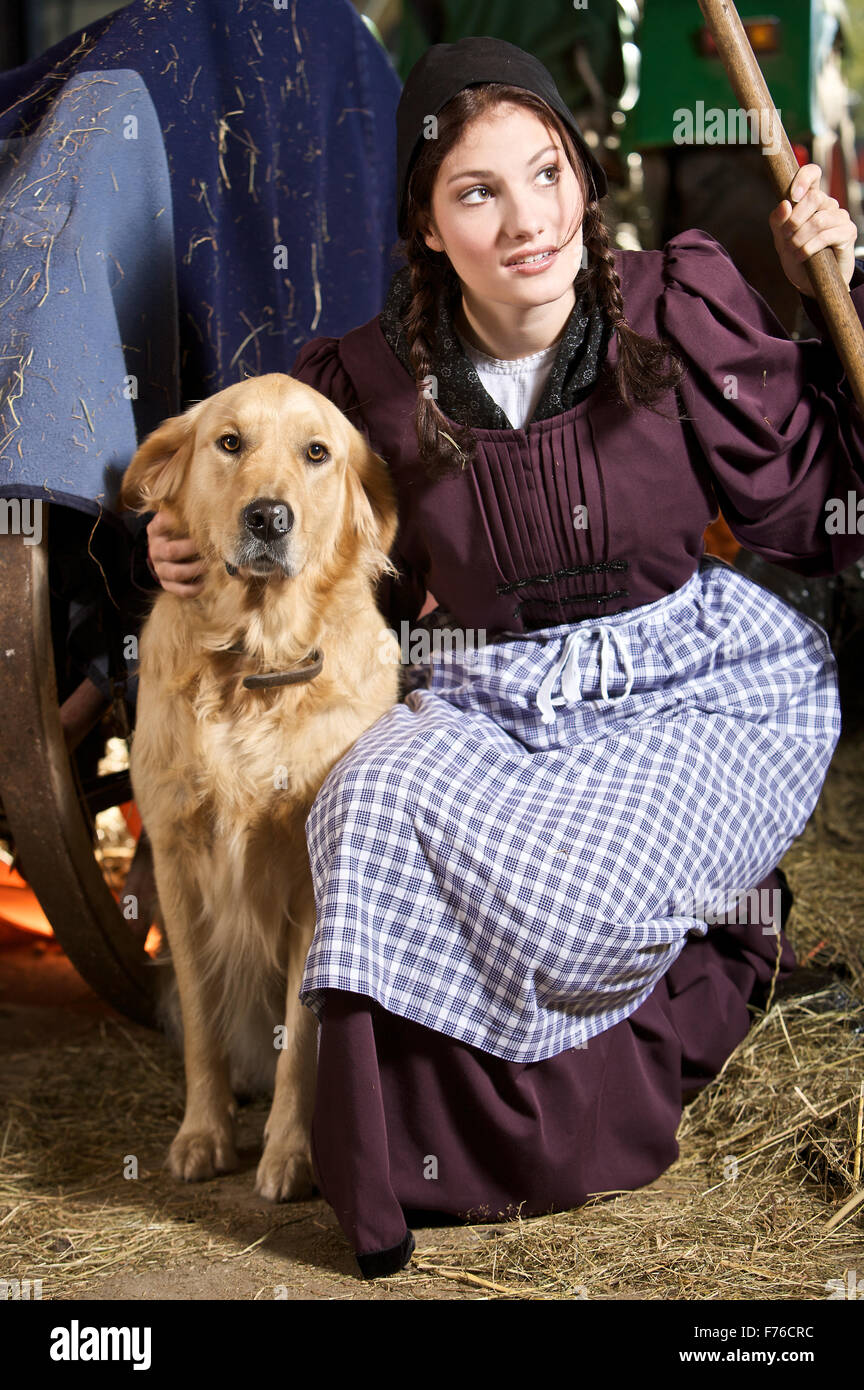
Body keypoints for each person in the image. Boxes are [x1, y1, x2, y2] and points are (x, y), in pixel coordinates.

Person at [145, 38, 864, 1279]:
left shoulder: (677, 300)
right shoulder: (368, 386)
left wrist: (820, 293)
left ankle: (709, 951)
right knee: (363, 801)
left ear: (582, 177)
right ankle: (398, 1151)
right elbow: (286, 515)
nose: (530, 220)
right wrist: (185, 541)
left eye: (547, 173)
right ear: (427, 227)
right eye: (478, 191)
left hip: (685, 684)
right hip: (502, 697)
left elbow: (811, 510)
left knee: (578, 883)